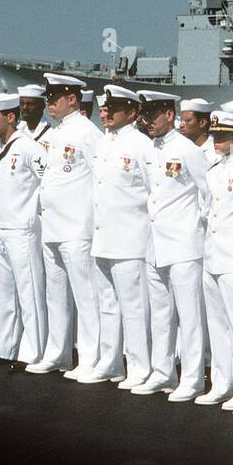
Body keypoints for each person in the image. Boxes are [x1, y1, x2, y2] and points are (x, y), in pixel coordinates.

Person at [134, 90, 210, 399]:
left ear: (169, 115)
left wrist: (194, 228)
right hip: (155, 243)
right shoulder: (152, 150)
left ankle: (192, 379)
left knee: (189, 316)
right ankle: (162, 372)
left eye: (152, 116)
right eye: (144, 116)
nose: (147, 122)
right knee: (160, 313)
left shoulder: (188, 150)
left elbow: (208, 194)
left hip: (183, 244)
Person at [34, 73, 107, 382]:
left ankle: (91, 358)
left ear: (73, 99)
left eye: (55, 98)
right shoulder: (57, 132)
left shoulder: (87, 132)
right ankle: (58, 353)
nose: (50, 103)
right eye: (48, 98)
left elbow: (100, 179)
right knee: (56, 294)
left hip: (78, 226)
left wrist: (96, 224)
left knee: (86, 296)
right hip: (53, 224)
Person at [91, 85, 155, 389]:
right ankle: (110, 361)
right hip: (104, 235)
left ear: (131, 113)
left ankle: (140, 366)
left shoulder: (142, 145)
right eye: (107, 109)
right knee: (107, 304)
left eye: (115, 109)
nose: (108, 114)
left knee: (134, 307)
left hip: (131, 237)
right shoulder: (104, 143)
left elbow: (155, 192)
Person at [0, 92, 48, 371]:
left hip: (22, 229)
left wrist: (34, 211)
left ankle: (34, 351)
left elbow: (47, 181)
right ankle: (5, 347)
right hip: (1, 227)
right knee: (7, 292)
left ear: (11, 117)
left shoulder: (28, 147)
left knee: (30, 292)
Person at [200, 111, 233, 406]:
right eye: (214, 135)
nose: (216, 140)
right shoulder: (214, 169)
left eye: (222, 136)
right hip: (213, 255)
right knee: (217, 324)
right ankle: (222, 382)